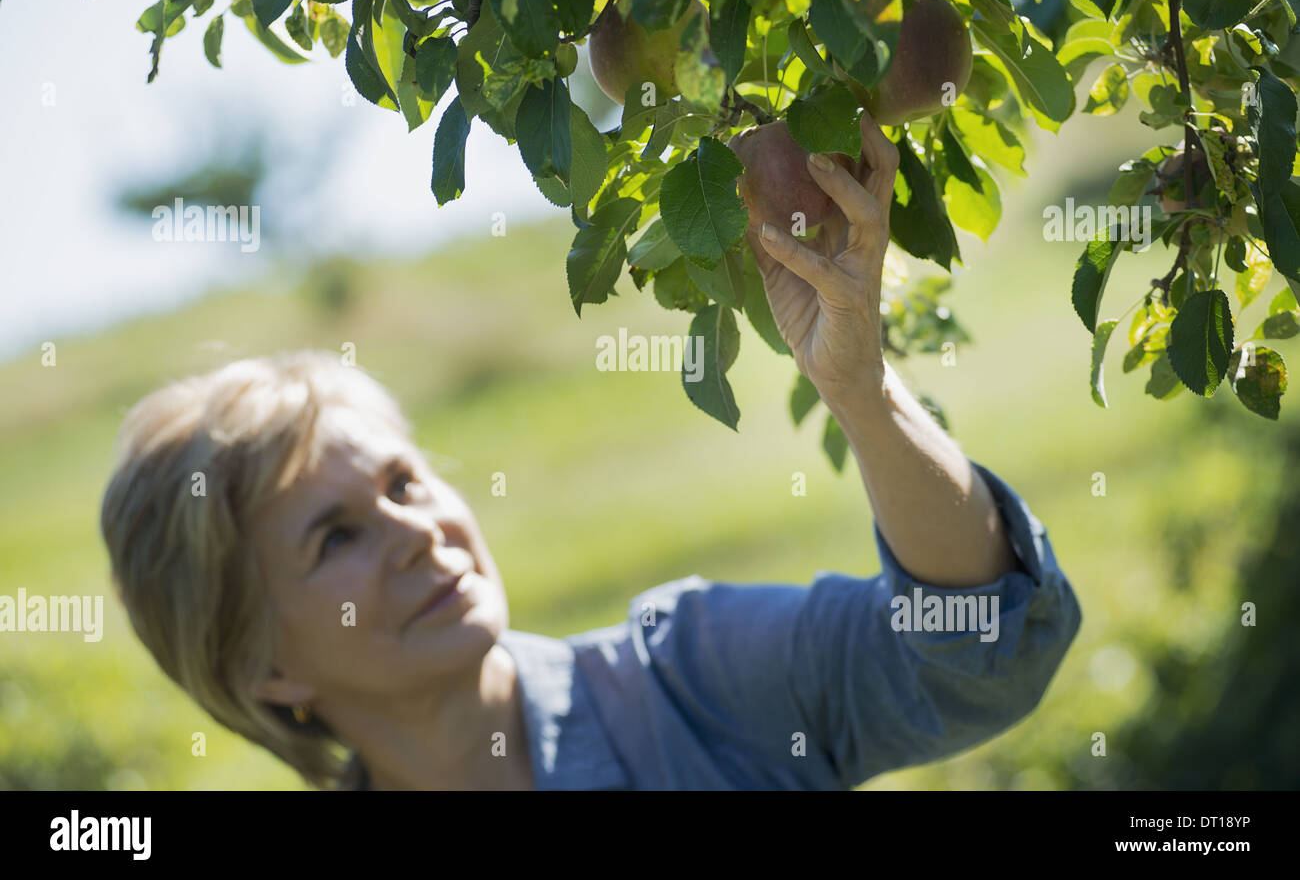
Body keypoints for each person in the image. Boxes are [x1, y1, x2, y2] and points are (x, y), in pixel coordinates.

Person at [99, 111, 1080, 790]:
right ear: (263, 667)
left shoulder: (690, 685)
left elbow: (980, 658)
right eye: (334, 538)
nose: (415, 531)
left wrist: (863, 399)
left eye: (404, 480)